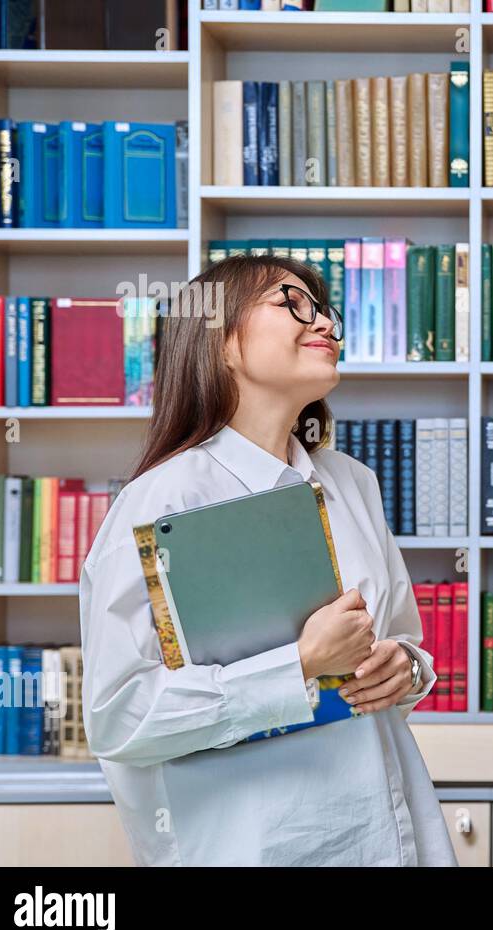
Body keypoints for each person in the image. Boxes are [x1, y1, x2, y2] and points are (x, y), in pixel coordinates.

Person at [78, 254, 457, 866]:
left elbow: (403, 644)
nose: (325, 324)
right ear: (222, 342)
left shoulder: (353, 483)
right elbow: (118, 717)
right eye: (292, 305)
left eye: (325, 310)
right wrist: (300, 664)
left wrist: (405, 669)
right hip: (254, 849)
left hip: (390, 839)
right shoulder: (161, 502)